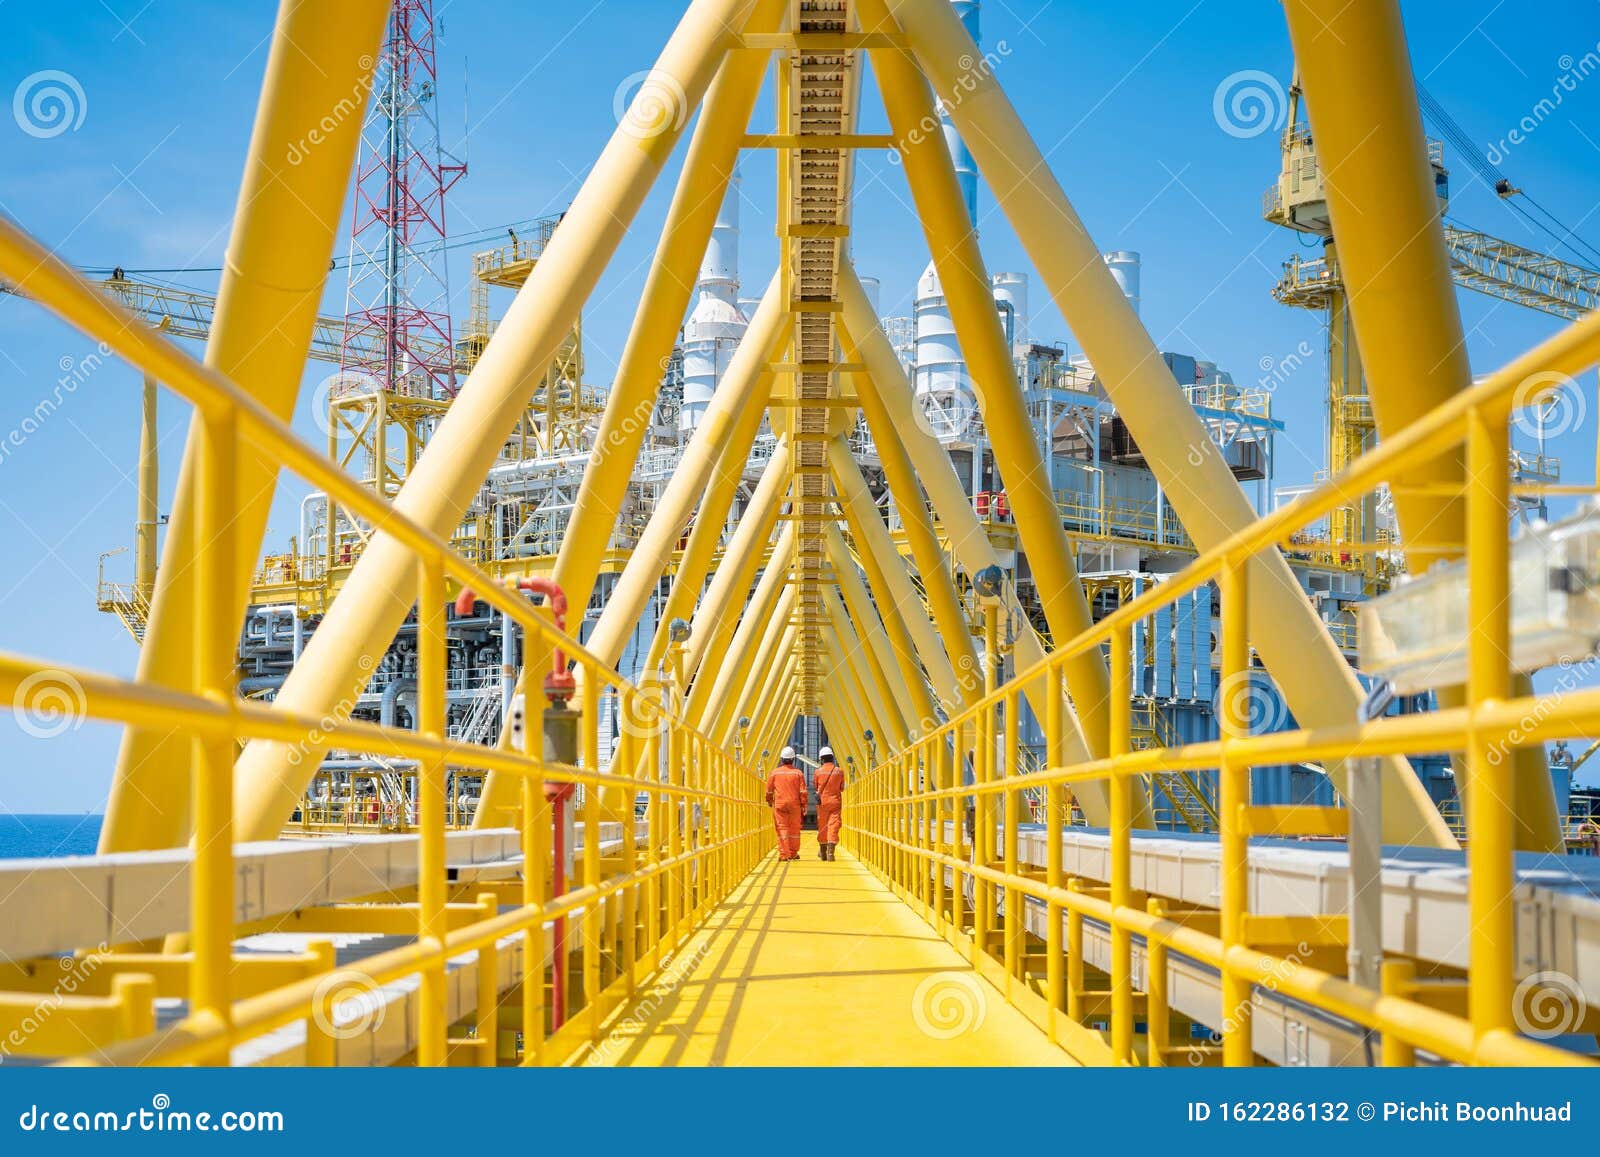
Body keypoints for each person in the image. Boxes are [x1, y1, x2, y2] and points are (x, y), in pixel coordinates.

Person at [765, 746, 807, 861]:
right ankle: (793, 854)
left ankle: (784, 854)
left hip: (780, 804)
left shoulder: (774, 773)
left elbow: (769, 790)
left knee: (782, 828)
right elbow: (803, 791)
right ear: (793, 759)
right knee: (794, 829)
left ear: (781, 759)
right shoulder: (798, 773)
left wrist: (769, 800)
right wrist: (804, 805)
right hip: (795, 805)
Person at [813, 746, 846, 861]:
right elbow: (842, 788)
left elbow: (816, 787)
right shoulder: (839, 771)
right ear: (832, 757)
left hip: (822, 803)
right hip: (835, 802)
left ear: (821, 759)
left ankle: (823, 853)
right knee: (833, 825)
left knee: (822, 826)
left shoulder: (817, 772)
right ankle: (831, 853)